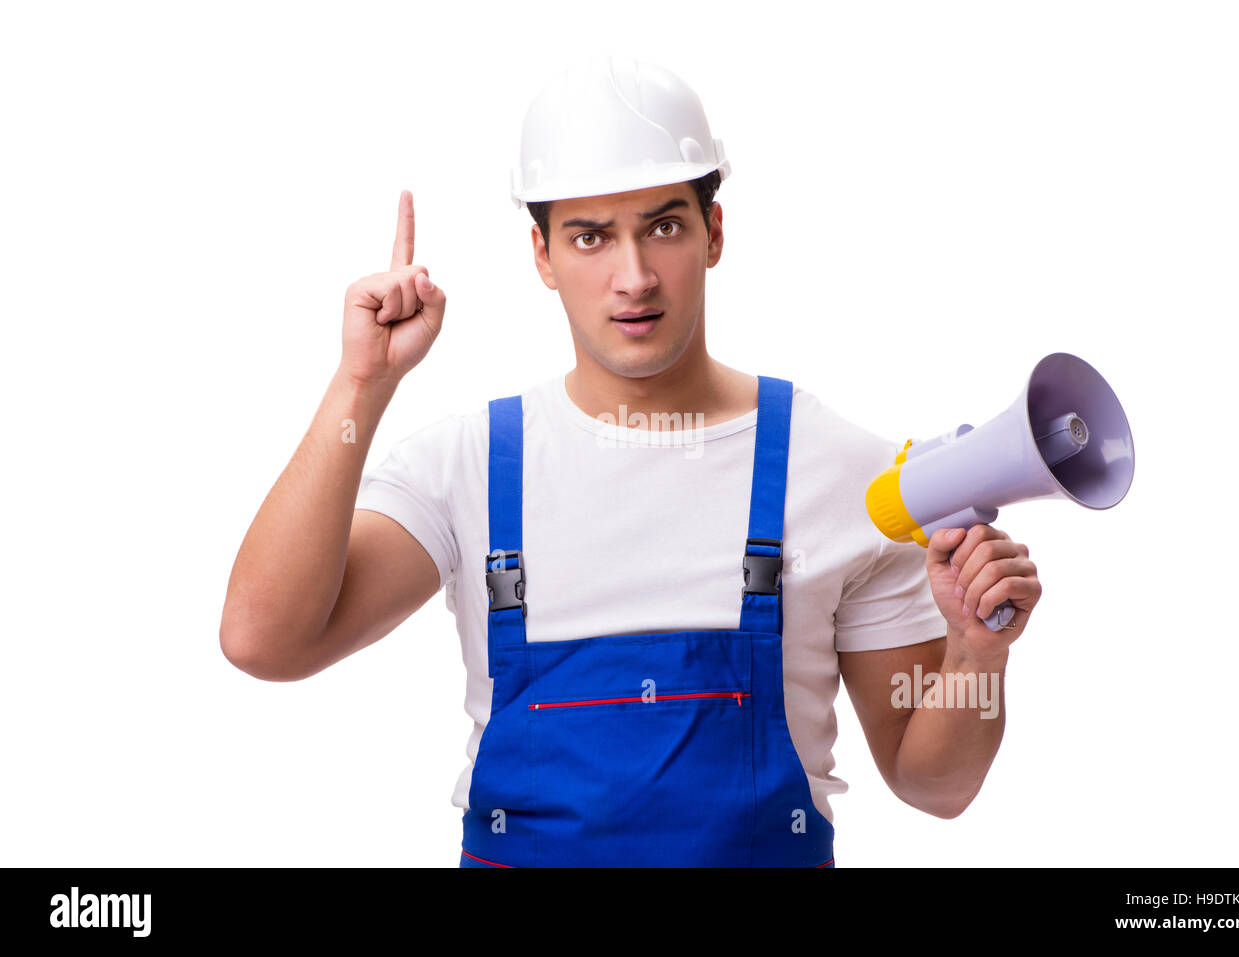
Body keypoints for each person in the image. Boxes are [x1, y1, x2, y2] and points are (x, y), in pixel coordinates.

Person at [219, 56, 1042, 867]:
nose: (634, 276)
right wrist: (360, 386)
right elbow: (265, 640)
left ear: (714, 232)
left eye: (664, 226)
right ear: (542, 255)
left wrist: (977, 653)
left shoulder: (845, 475)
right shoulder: (468, 467)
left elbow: (933, 784)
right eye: (590, 237)